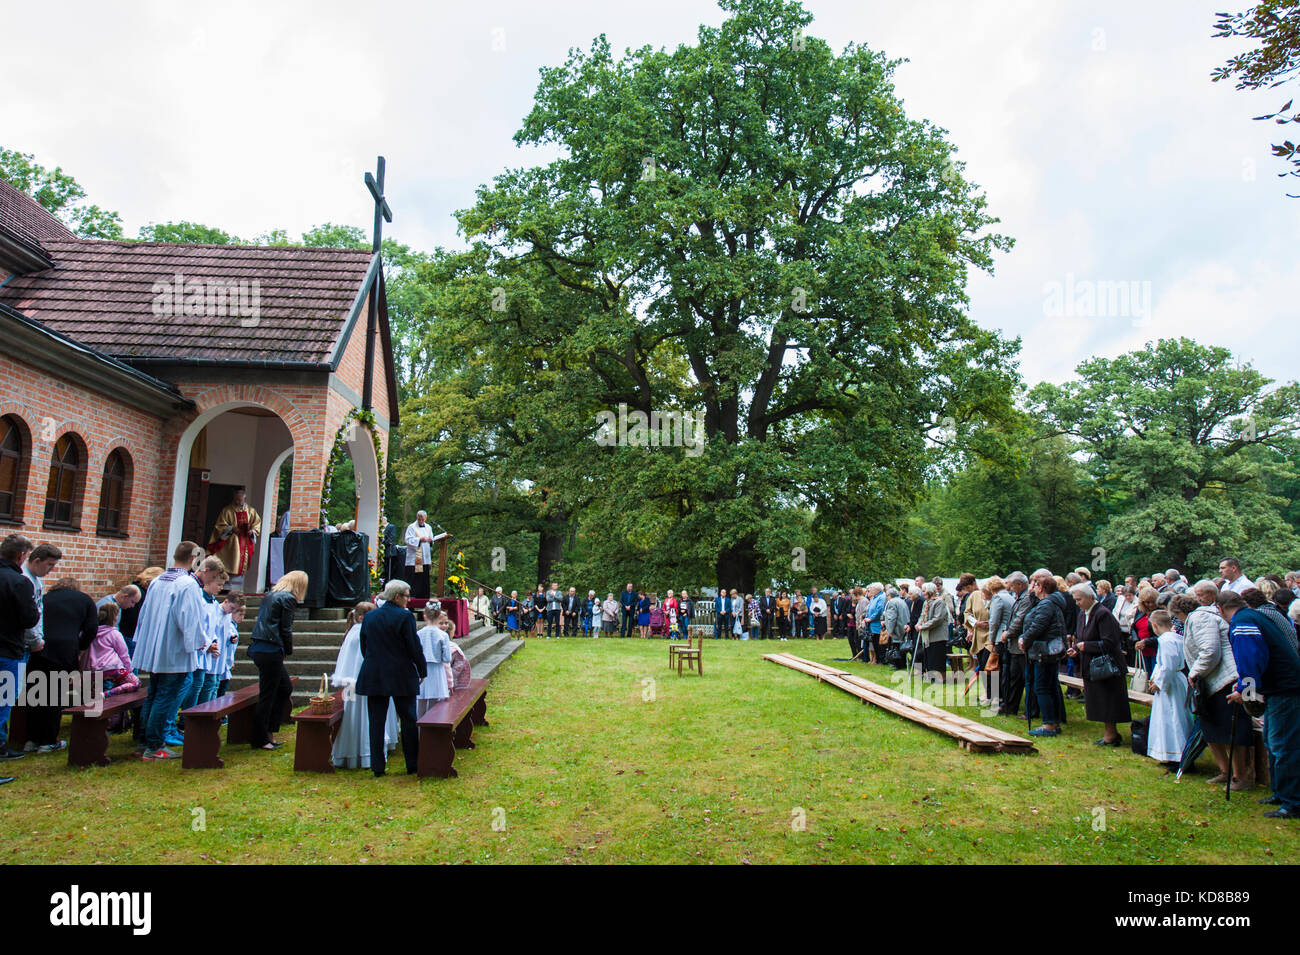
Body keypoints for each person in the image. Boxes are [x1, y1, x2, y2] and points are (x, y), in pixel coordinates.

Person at [133, 544, 221, 760]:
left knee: (154, 693)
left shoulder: (158, 580)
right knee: (166, 696)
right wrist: (202, 643)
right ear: (194, 558)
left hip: (157, 645)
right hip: (174, 648)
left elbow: (144, 614)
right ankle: (154, 745)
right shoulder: (187, 584)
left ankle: (144, 741)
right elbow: (190, 618)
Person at [1219, 589, 1300, 813]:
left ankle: (1292, 802)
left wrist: (1245, 691)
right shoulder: (1253, 616)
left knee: (1282, 744)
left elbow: (1251, 659)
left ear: (1220, 608)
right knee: (1272, 742)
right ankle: (1281, 793)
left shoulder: (1243, 623)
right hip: (1279, 686)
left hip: (1285, 687)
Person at [1171, 591, 1249, 788]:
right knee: (1210, 728)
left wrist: (1194, 672)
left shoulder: (1200, 618)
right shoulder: (1198, 618)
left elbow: (1210, 650)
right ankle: (1225, 771)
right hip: (1212, 683)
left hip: (1225, 681)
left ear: (1181, 611)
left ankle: (1240, 777)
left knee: (1232, 731)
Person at [356, 579, 427, 777]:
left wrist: (374, 662)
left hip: (375, 673)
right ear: (397, 597)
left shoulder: (370, 617)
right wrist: (421, 669)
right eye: (406, 596)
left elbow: (364, 645)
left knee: (376, 721)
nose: (409, 599)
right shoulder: (405, 617)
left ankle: (377, 765)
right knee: (408, 718)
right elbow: (414, 646)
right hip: (400, 674)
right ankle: (412, 763)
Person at [24, 577, 95, 753]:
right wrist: (81, 648)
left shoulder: (45, 598)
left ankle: (32, 739)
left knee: (35, 693)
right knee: (54, 695)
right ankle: (48, 741)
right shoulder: (84, 600)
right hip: (65, 650)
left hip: (39, 647)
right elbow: (92, 628)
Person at [331, 602, 397, 770]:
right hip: (360, 681)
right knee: (364, 716)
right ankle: (364, 753)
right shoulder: (360, 633)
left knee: (356, 716)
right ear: (361, 618)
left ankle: (358, 752)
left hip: (352, 682)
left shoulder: (353, 632)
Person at [247, 570, 306, 751]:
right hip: (271, 647)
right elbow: (285, 628)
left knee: (284, 687)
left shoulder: (271, 595)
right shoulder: (288, 598)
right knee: (268, 693)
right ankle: (260, 737)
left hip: (261, 646)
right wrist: (288, 649)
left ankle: (269, 731)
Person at [1067, 582, 1131, 746]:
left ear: (1090, 597)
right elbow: (1081, 637)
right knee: (1099, 700)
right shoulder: (1083, 614)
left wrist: (1086, 647)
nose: (1077, 603)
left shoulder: (1103, 614)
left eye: (1079, 599)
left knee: (1108, 700)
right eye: (1075, 600)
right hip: (1091, 665)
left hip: (1107, 666)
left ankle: (1111, 735)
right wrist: (1076, 648)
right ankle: (1109, 733)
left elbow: (1110, 641)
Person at [0, 534, 39, 772]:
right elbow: (29, 617)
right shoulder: (19, 582)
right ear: (20, 556)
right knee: (2, 702)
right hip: (6, 648)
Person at [1020, 575, 1066, 736]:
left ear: (1041, 588)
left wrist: (1024, 640)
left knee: (1042, 687)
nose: (1031, 587)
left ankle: (1049, 724)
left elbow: (1038, 626)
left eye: (1034, 584)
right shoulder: (1047, 603)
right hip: (1046, 649)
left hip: (1044, 651)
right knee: (1049, 685)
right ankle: (1053, 721)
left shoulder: (1047, 604)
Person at [1146, 609, 1191, 767]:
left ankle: (1179, 755)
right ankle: (1171, 753)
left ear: (1155, 625)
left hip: (1171, 683)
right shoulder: (1174, 638)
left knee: (1174, 718)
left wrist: (1159, 682)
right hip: (1174, 680)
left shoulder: (1166, 640)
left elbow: (1168, 665)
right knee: (1168, 717)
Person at [82, 602, 140, 697]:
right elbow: (124, 655)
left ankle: (101, 699)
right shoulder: (114, 634)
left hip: (92, 671)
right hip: (112, 669)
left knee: (93, 695)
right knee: (135, 683)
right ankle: (108, 694)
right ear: (115, 617)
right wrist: (129, 670)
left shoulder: (90, 633)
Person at [207, 486, 261, 587]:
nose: (237, 501)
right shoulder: (227, 510)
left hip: (244, 542)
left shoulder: (251, 511)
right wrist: (231, 528)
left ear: (244, 498)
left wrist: (252, 531)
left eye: (239, 499)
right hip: (231, 544)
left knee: (240, 566)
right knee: (230, 564)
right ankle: (225, 587)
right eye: (236, 499)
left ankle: (236, 589)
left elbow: (256, 524)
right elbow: (220, 525)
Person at [1000, 572, 1034, 718]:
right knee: (1014, 677)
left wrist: (1007, 633)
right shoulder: (1021, 597)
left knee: (1024, 679)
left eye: (1012, 585)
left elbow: (1019, 620)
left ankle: (1028, 710)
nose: (1010, 589)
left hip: (1020, 645)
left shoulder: (1026, 598)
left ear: (1020, 584)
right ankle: (1010, 706)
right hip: (1014, 645)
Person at [416, 604, 452, 717]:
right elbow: (447, 658)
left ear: (424, 616)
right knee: (434, 706)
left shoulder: (419, 633)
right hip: (436, 670)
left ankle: (419, 732)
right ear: (438, 616)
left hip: (422, 669)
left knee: (420, 704)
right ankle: (432, 731)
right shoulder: (443, 635)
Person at [914, 582, 951, 681]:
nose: (923, 593)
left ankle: (941, 678)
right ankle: (931, 676)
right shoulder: (926, 602)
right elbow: (922, 615)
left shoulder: (939, 602)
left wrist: (923, 626)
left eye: (924, 591)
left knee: (937, 658)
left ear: (930, 591)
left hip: (938, 636)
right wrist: (918, 624)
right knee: (929, 657)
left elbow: (937, 619)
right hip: (928, 636)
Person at [403, 511, 436, 599]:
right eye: (419, 518)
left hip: (425, 557)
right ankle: (413, 596)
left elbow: (431, 539)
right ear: (417, 517)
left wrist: (431, 541)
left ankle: (424, 597)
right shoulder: (412, 527)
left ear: (426, 518)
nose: (421, 520)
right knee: (415, 579)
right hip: (415, 558)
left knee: (424, 578)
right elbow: (408, 540)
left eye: (422, 519)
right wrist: (419, 539)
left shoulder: (428, 527)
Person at [881, 586, 911, 669]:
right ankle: (903, 664)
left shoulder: (892, 602)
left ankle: (899, 665)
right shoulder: (901, 601)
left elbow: (891, 618)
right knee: (901, 647)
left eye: (887, 596)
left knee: (897, 647)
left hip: (897, 628)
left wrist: (889, 630)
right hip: (904, 626)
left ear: (890, 595)